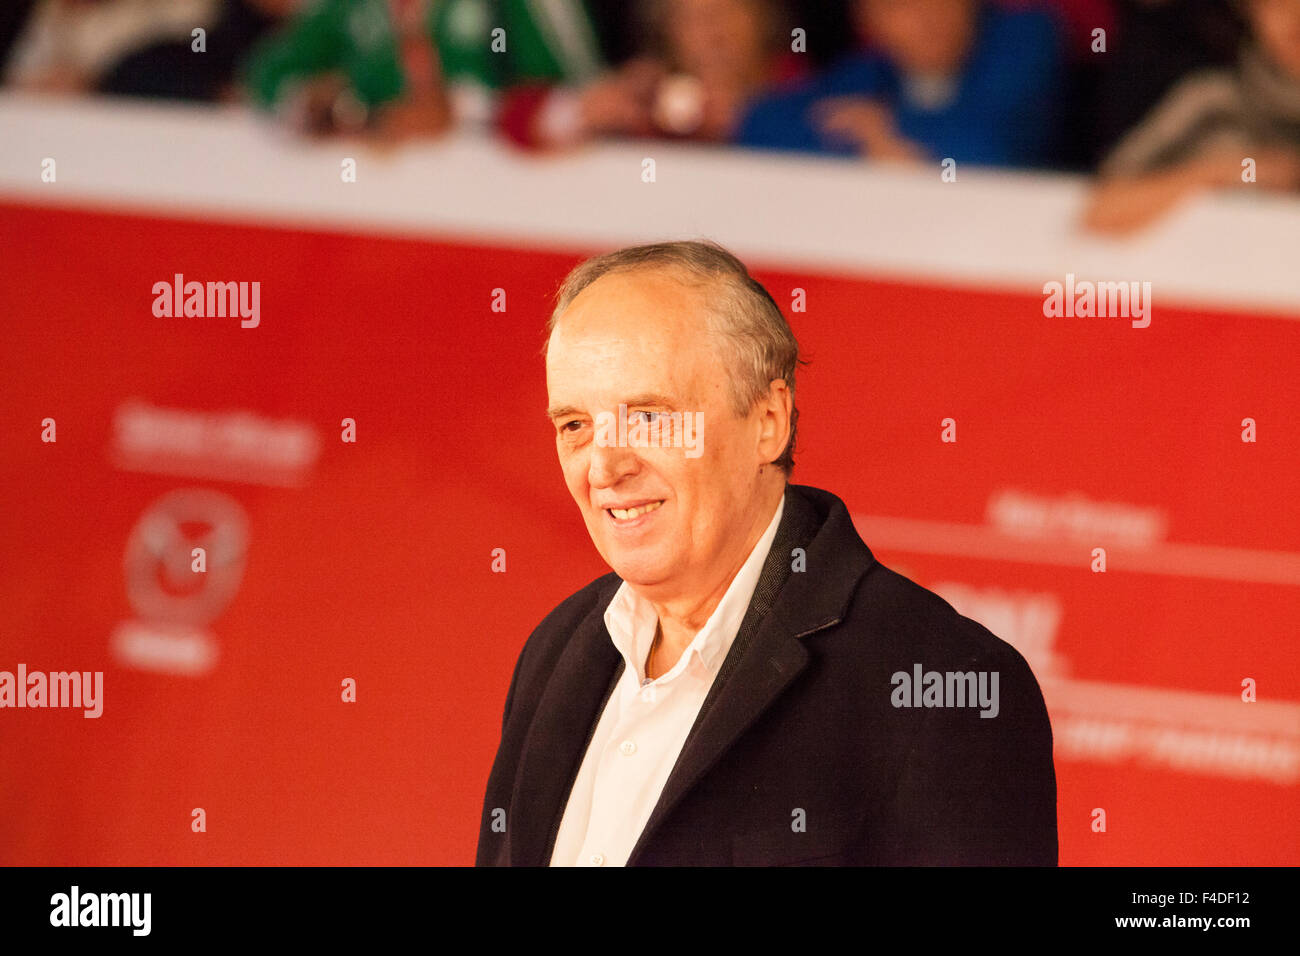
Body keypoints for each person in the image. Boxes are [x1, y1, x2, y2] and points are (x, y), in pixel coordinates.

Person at [475, 239, 1058, 866]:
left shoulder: (939, 690)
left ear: (767, 422)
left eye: (648, 416)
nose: (605, 467)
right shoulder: (556, 649)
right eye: (575, 426)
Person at [734, 0, 1064, 167]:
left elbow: (992, 149)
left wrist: (892, 130)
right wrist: (877, 147)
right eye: (902, 4)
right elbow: (762, 125)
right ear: (869, 20)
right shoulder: (870, 73)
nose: (929, 14)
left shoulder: (1024, 39)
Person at [1083, 0, 1300, 234]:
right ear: (1248, 10)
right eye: (1277, 3)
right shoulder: (1213, 102)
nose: (1294, 16)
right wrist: (1222, 172)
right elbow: (1103, 209)